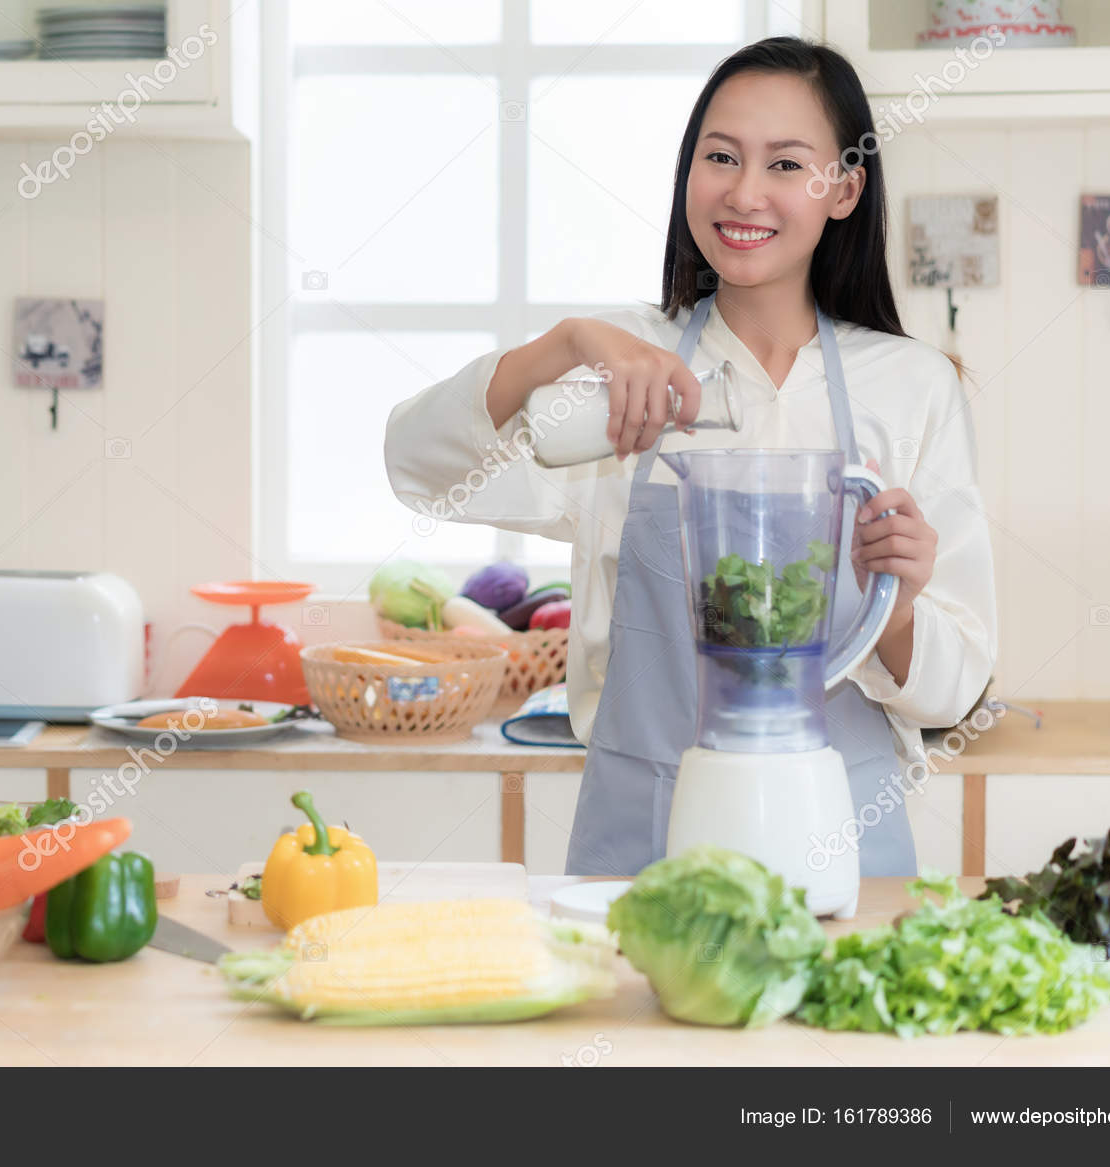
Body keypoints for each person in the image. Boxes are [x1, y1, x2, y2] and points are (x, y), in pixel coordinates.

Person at [384, 36, 997, 878]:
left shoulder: (913, 386)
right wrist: (560, 346)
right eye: (721, 156)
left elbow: (952, 691)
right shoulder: (623, 368)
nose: (745, 192)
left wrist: (893, 606)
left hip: (840, 843)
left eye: (786, 164)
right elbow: (421, 469)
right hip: (648, 848)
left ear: (844, 188)